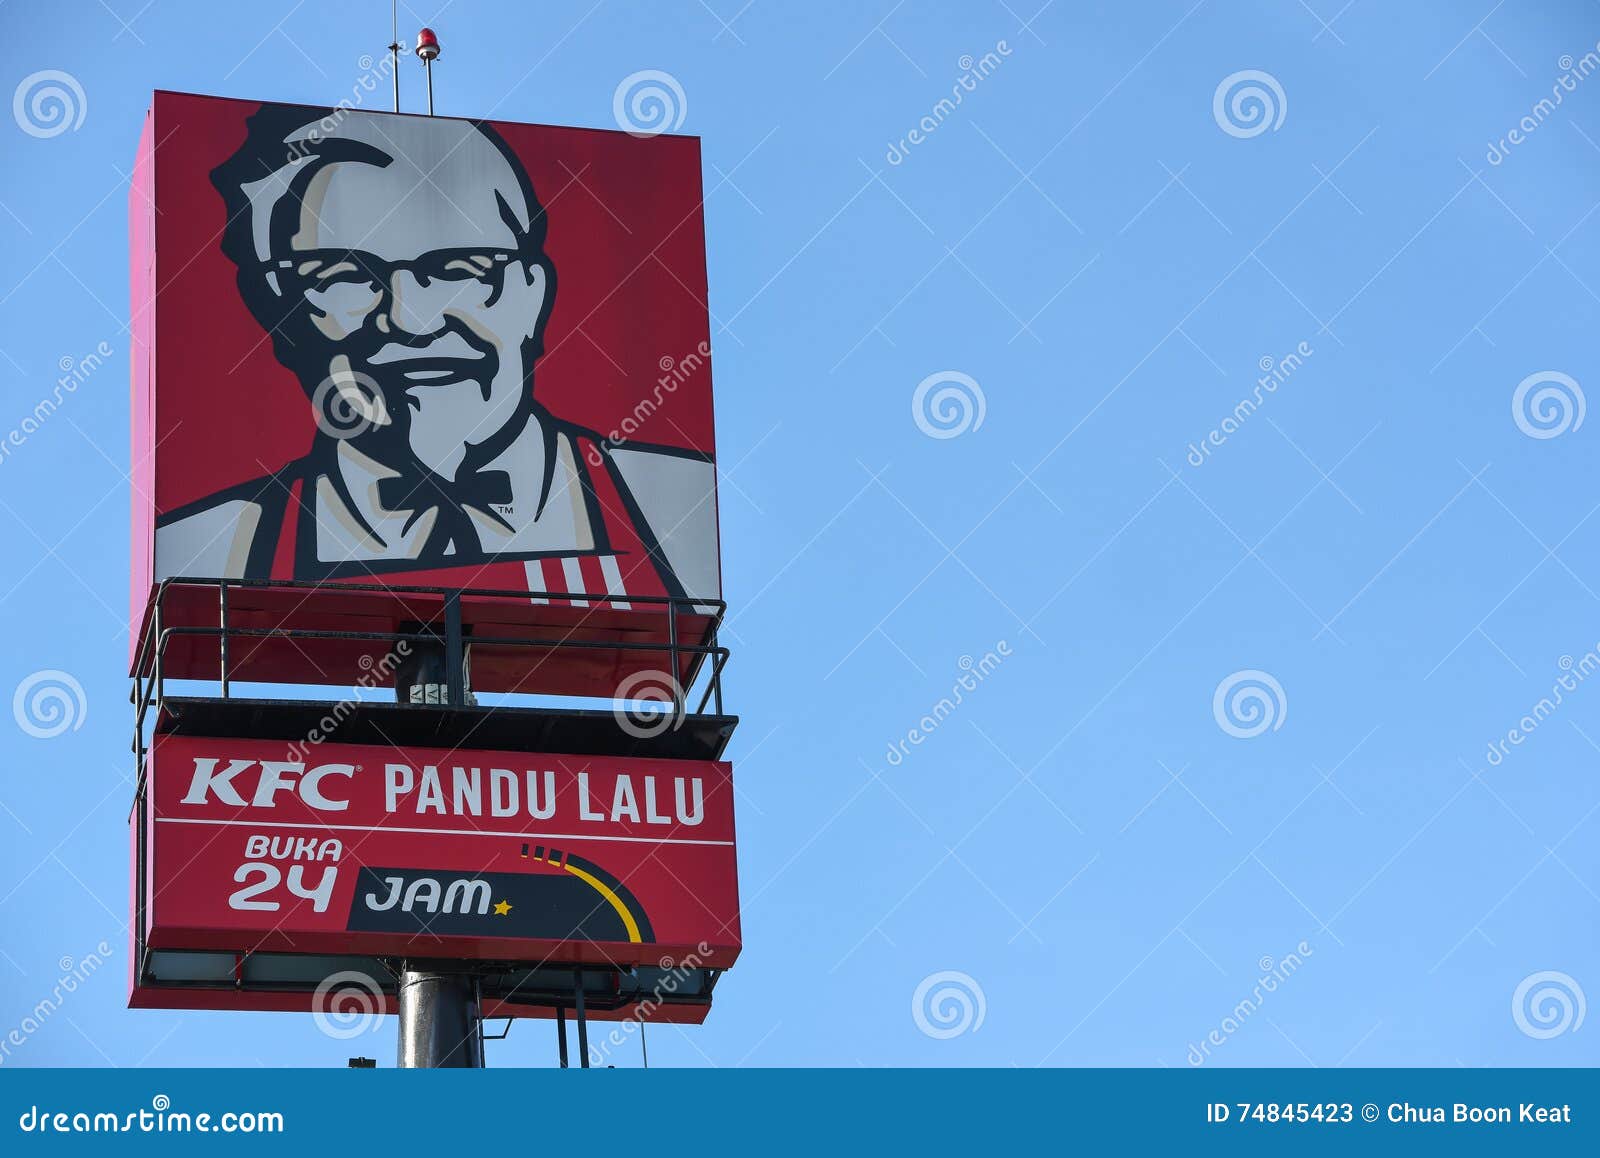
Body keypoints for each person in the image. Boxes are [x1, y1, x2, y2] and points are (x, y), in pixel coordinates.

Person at [154, 103, 718, 610]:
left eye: (460, 269)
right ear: (284, 318)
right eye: (344, 275)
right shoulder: (209, 554)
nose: (412, 320)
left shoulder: (673, 508)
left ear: (533, 293)